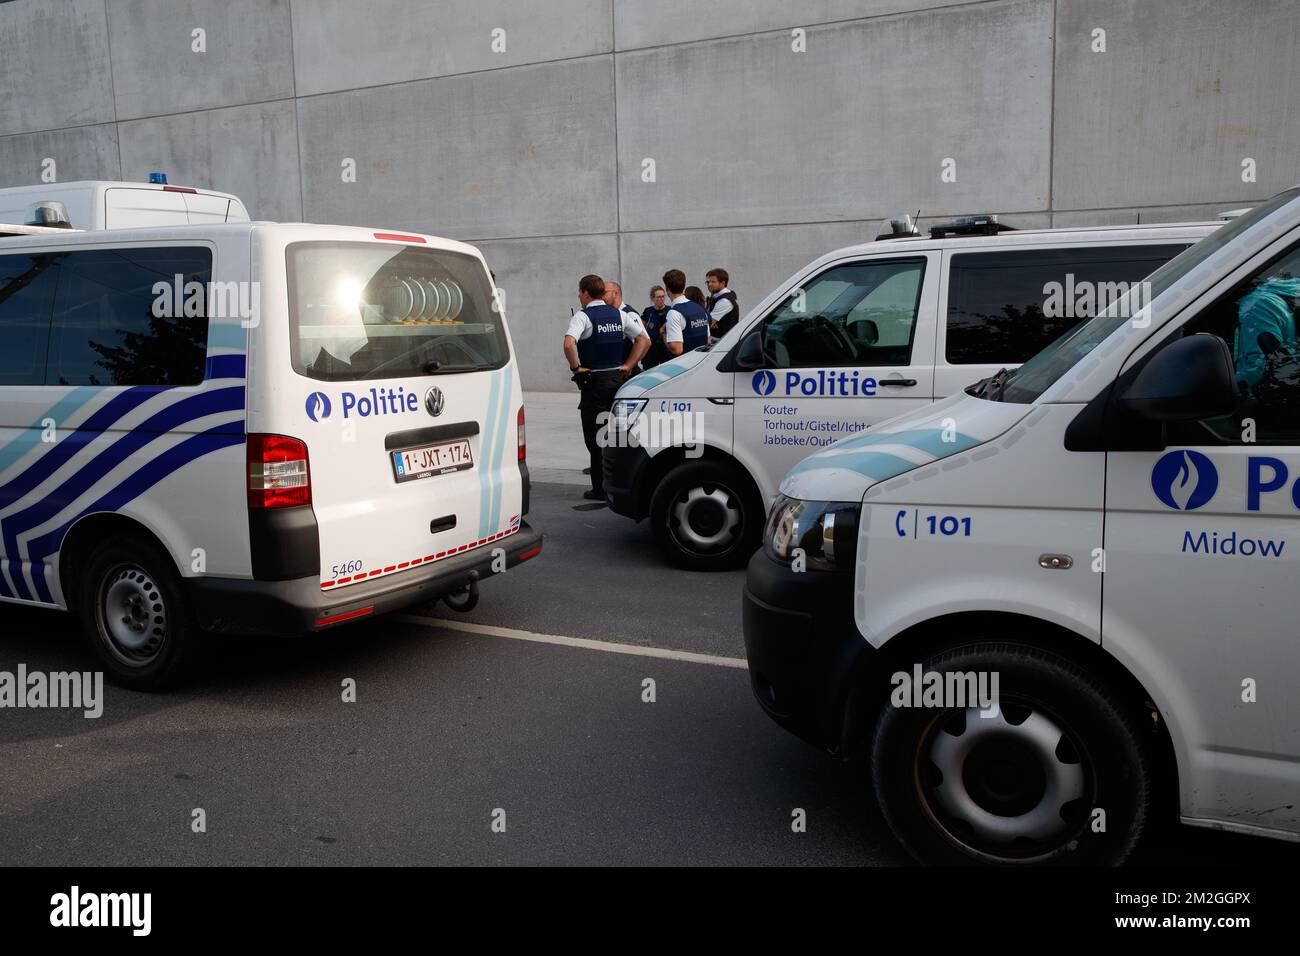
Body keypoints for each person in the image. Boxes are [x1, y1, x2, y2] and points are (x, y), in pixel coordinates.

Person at [564, 274, 650, 499]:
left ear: (584, 292)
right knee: (618, 433)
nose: (579, 296)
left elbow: (569, 343)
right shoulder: (619, 314)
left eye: (579, 292)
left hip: (594, 383)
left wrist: (576, 368)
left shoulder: (582, 316)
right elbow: (644, 340)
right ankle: (621, 481)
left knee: (594, 437)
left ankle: (600, 489)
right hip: (618, 380)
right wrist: (629, 365)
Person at [1234, 276, 1300, 398]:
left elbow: (1258, 366)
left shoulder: (1255, 305)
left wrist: (1226, 391)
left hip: (1273, 396)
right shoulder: (1285, 289)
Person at [662, 270, 711, 357]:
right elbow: (708, 341)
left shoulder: (674, 313)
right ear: (684, 287)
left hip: (685, 365)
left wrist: (663, 334)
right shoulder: (700, 308)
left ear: (667, 289)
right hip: (701, 362)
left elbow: (677, 350)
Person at [640, 285, 672, 369]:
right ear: (653, 298)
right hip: (651, 348)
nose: (661, 299)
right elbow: (641, 325)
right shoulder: (648, 311)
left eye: (662, 296)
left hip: (666, 348)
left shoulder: (670, 310)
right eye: (658, 297)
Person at [705, 268, 739, 337]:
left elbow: (707, 323)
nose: (709, 284)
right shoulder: (715, 296)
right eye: (708, 282)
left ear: (723, 283)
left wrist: (710, 322)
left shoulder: (725, 301)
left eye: (713, 282)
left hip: (724, 341)